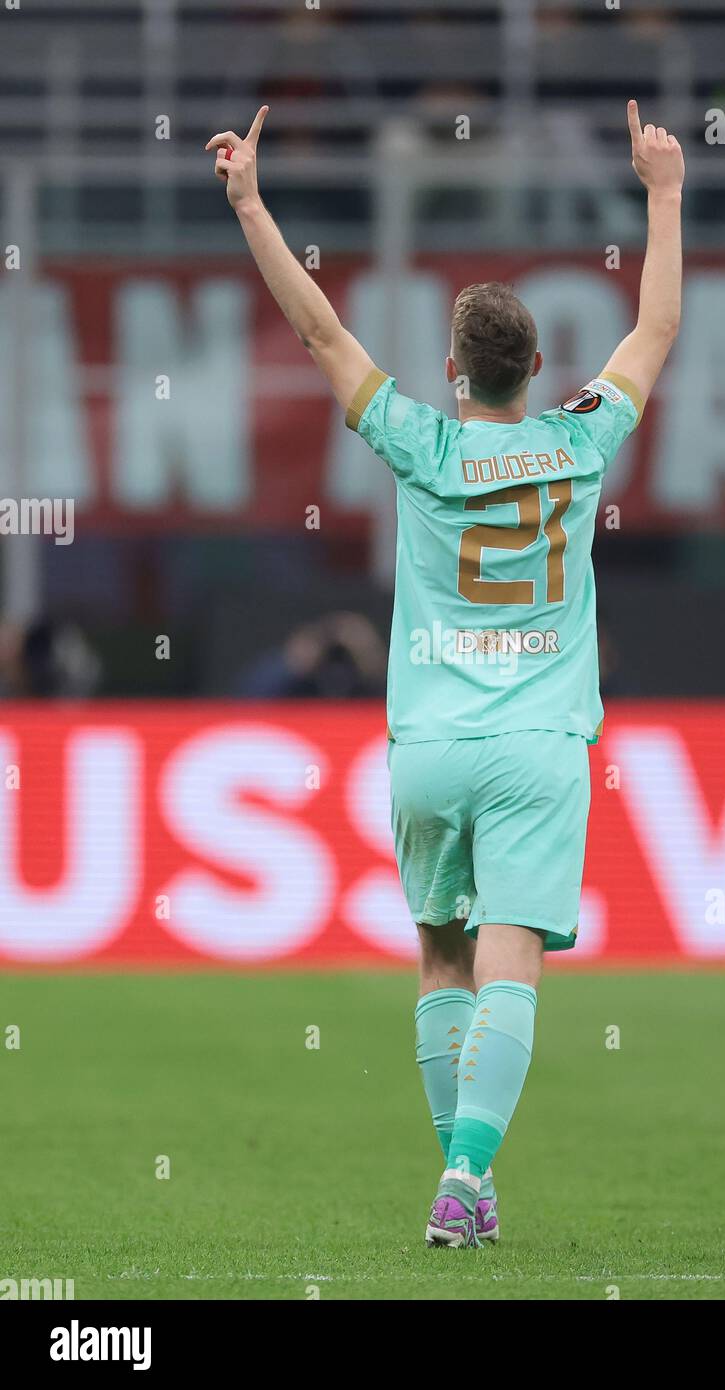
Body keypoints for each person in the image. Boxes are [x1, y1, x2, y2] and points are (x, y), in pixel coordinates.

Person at [206, 98, 683, 1247]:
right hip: (536, 746)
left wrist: (252, 205)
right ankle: (466, 1175)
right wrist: (662, 192)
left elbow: (322, 334)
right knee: (512, 953)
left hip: (428, 744)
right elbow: (655, 331)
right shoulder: (578, 439)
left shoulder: (421, 441)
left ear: (459, 377)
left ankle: (464, 1187)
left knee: (440, 954)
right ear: (535, 371)